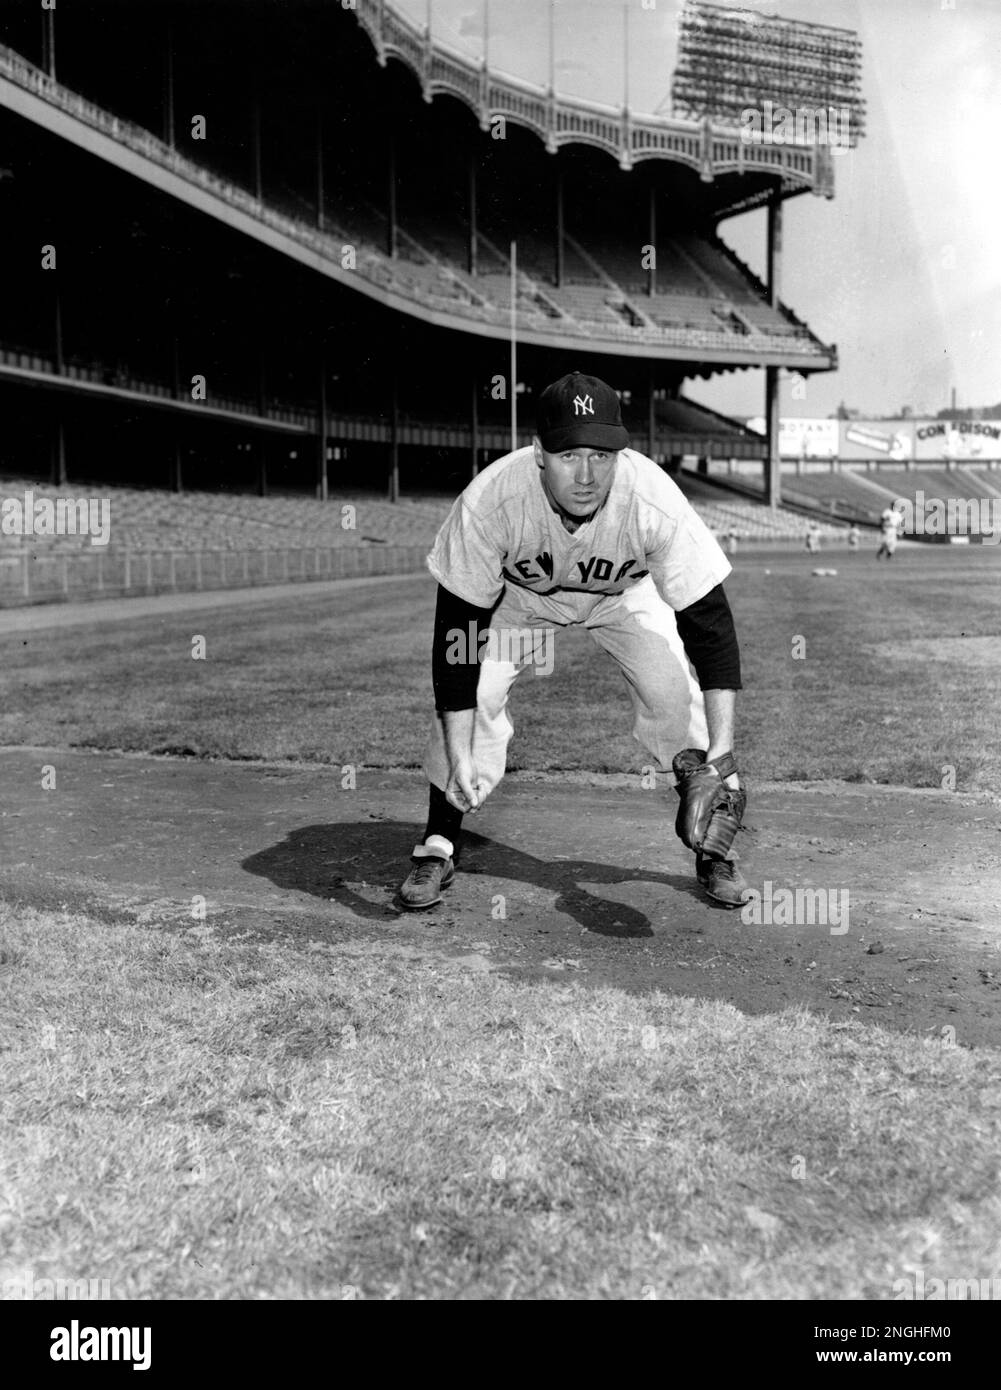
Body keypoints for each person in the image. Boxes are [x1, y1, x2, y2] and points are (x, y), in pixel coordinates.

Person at [397, 370, 749, 913]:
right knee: (480, 693)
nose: (586, 474)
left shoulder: (652, 497)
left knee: (670, 690)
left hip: (622, 597)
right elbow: (458, 634)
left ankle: (712, 851)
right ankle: (439, 839)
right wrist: (458, 747)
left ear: (621, 453)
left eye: (602, 455)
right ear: (538, 451)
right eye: (569, 455)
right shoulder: (491, 500)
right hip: (522, 601)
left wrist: (722, 756)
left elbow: (710, 623)